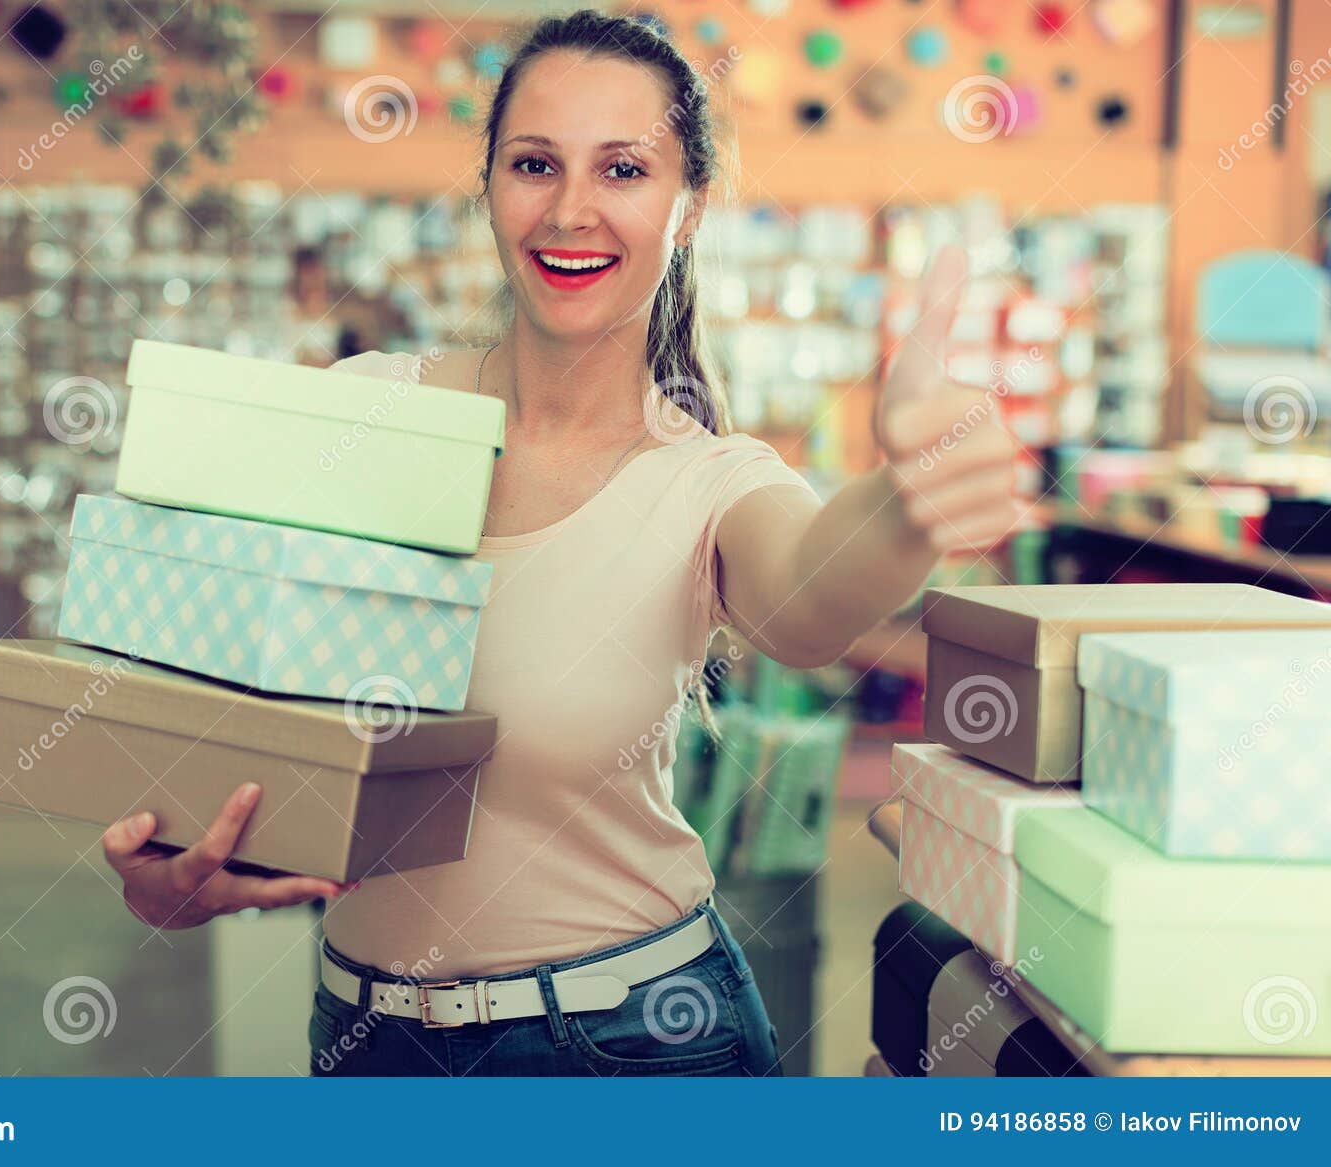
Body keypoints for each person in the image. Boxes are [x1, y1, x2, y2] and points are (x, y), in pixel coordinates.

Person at [102, 10, 1021, 1076]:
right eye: (535, 164)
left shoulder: (706, 479)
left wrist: (907, 502)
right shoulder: (369, 410)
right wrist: (174, 862)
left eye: (623, 169)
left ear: (688, 208)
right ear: (489, 186)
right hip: (365, 1040)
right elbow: (237, 694)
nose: (571, 209)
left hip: (633, 1046)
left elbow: (808, 599)